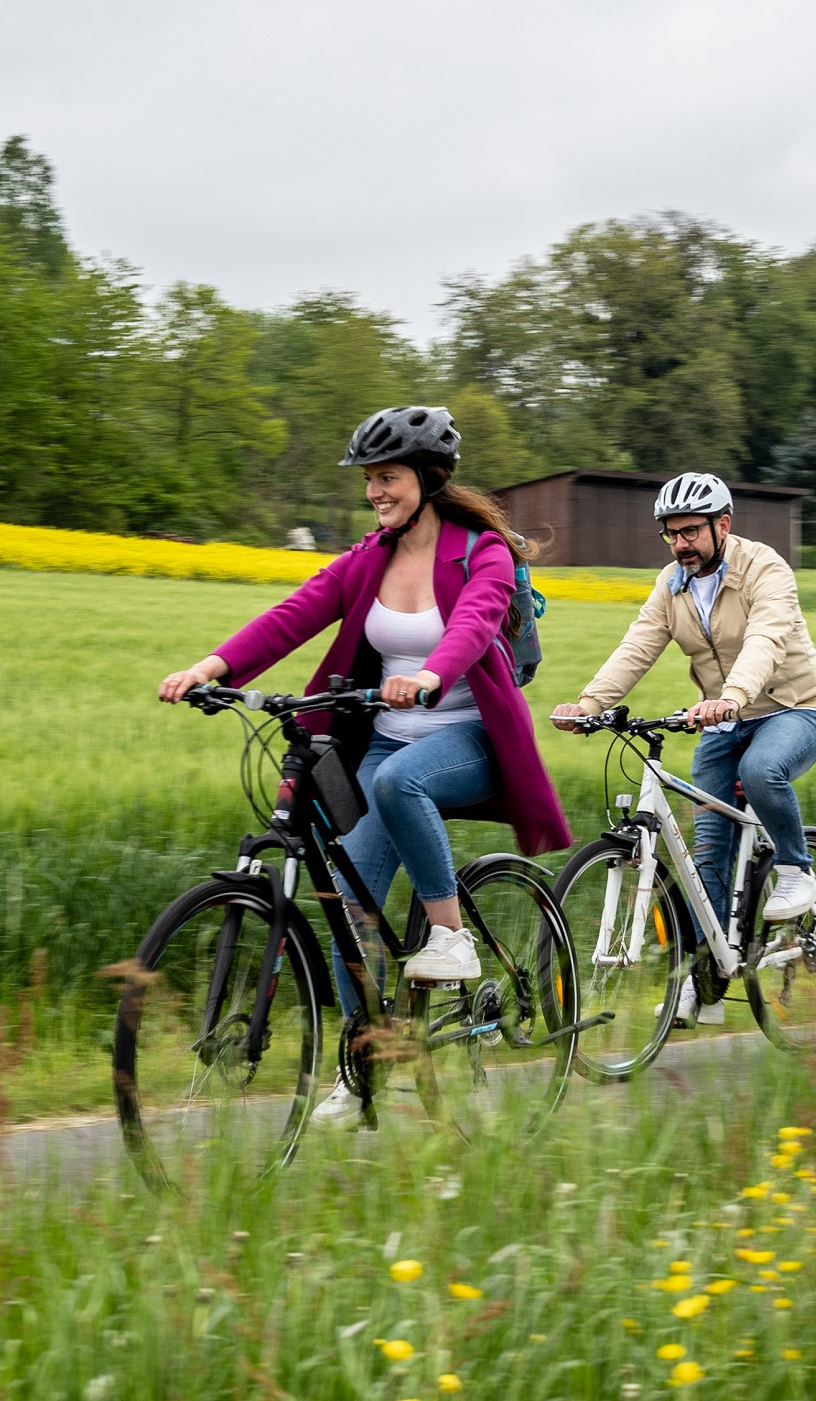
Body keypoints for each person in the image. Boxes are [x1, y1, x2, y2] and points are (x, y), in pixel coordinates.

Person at [158, 404, 572, 995]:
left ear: (428, 477)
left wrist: (430, 676)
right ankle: (360, 1069)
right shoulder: (370, 556)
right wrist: (208, 668)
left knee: (399, 782)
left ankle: (451, 937)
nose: (375, 492)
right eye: (369, 480)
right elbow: (293, 615)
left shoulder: (483, 552)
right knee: (353, 915)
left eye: (388, 477)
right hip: (386, 740)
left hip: (472, 738)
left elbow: (475, 623)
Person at [552, 472, 816, 929]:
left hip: (794, 709)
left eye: (691, 531)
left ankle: (795, 870)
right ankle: (710, 972)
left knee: (760, 770)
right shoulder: (671, 584)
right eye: (671, 533)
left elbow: (766, 638)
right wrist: (588, 706)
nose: (681, 543)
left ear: (722, 526)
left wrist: (733, 697)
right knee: (709, 848)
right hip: (723, 721)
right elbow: (638, 647)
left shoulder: (765, 568)